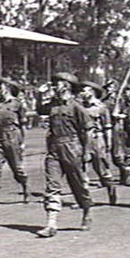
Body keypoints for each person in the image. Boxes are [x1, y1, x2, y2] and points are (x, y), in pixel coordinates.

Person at [35, 72, 93, 238]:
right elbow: (40, 110)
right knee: (52, 184)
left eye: (58, 83)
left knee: (78, 185)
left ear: (67, 86)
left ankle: (86, 210)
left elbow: (88, 130)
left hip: (72, 148)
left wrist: (86, 151)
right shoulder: (53, 105)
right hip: (54, 148)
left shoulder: (76, 107)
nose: (55, 85)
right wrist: (39, 94)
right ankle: (51, 224)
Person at [0, 78, 29, 208]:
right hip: (0, 135)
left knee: (17, 168)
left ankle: (25, 186)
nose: (0, 90)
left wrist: (22, 142)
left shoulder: (17, 104)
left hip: (13, 136)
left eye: (2, 87)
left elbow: (23, 124)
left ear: (8, 88)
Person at [78, 80, 118, 205]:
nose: (83, 93)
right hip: (81, 139)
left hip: (97, 139)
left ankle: (110, 187)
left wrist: (108, 142)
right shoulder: (78, 107)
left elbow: (107, 126)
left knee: (101, 168)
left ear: (93, 92)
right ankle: (86, 199)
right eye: (82, 90)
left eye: (86, 90)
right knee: (81, 168)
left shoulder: (101, 107)